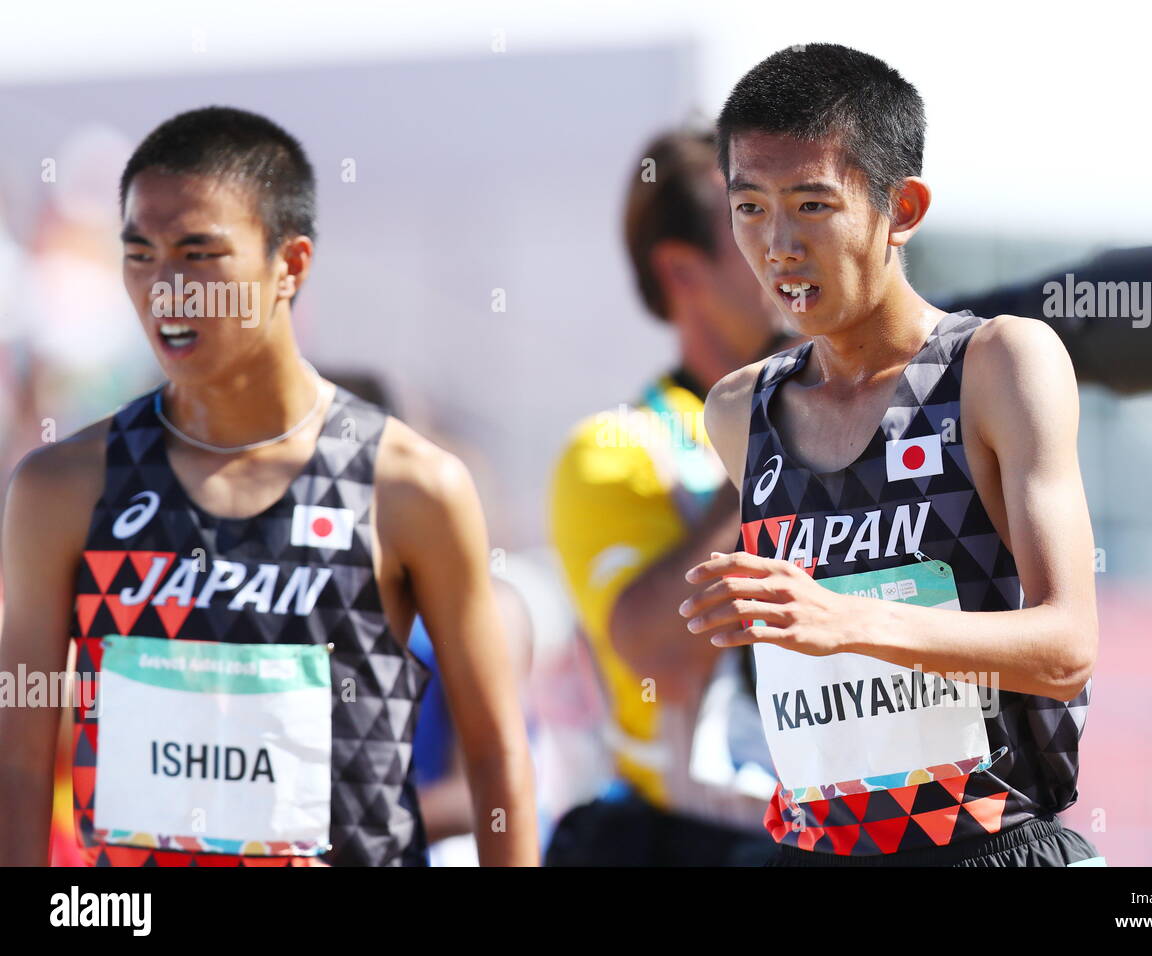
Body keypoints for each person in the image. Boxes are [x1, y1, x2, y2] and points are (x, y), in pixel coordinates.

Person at [0, 106, 537, 867]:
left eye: (199, 253)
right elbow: (19, 758)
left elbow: (497, 758)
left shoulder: (412, 486)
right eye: (140, 254)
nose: (166, 288)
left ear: (291, 265)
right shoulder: (62, 489)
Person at [678, 44, 1105, 867]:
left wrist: (847, 623)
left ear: (901, 209)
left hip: (989, 846)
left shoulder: (999, 365)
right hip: (814, 849)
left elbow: (1065, 650)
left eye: (811, 205)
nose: (777, 246)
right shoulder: (739, 410)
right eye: (749, 208)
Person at [546, 130, 793, 866]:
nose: (791, 248)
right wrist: (781, 431)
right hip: (711, 842)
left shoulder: (876, 412)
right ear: (682, 271)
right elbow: (660, 657)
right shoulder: (620, 447)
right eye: (753, 223)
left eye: (805, 213)